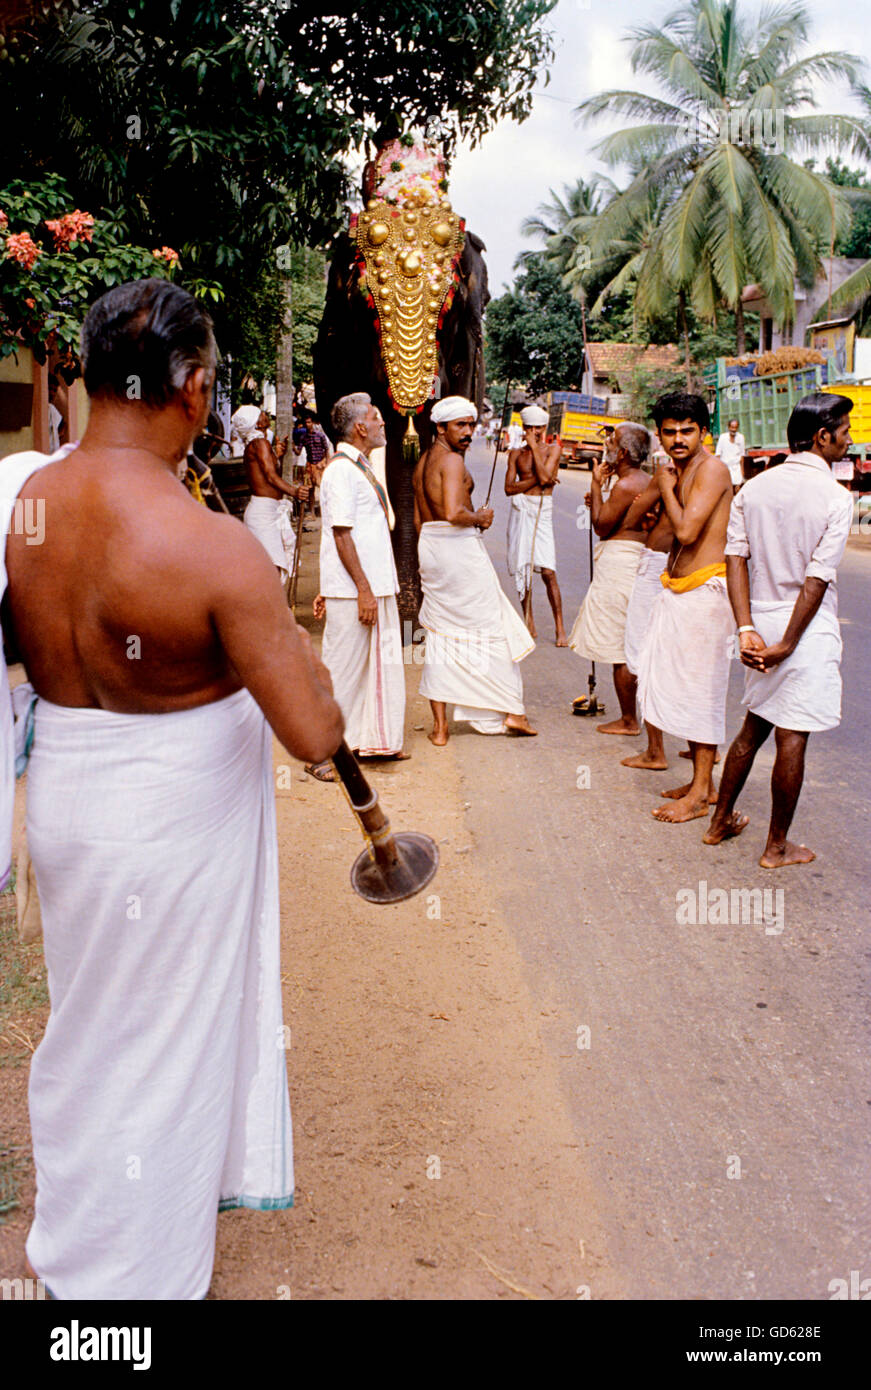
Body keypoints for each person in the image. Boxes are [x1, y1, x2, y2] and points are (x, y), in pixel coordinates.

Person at [0, 277, 344, 1299]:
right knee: (164, 1053)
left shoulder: (26, 506)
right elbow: (315, 735)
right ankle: (129, 1294)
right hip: (170, 834)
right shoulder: (213, 549)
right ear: (193, 388)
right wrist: (297, 664)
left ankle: (73, 1256)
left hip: (67, 807)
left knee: (92, 1027)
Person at [704, 393, 855, 867]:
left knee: (754, 725)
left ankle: (719, 821)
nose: (849, 441)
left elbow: (734, 558)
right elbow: (817, 577)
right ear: (822, 436)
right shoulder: (835, 497)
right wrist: (787, 643)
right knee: (793, 736)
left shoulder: (755, 488)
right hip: (803, 629)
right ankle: (775, 846)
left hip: (761, 620)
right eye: (845, 432)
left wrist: (746, 627)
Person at [413, 396, 537, 744]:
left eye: (471, 424)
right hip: (457, 548)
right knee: (492, 624)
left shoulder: (423, 462)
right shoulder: (451, 461)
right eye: (460, 426)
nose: (468, 432)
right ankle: (512, 711)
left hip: (433, 549)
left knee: (440, 632)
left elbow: (420, 521)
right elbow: (453, 513)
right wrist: (478, 519)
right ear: (441, 427)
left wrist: (434, 555)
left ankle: (440, 728)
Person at [636, 392, 734, 823]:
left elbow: (689, 531)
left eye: (687, 430)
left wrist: (662, 488)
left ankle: (697, 795)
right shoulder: (684, 469)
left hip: (705, 594)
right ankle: (705, 785)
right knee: (683, 688)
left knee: (700, 692)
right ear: (660, 434)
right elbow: (669, 533)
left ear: (703, 432)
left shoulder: (710, 469)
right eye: (670, 431)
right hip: (680, 590)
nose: (678, 438)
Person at [311, 391, 408, 781]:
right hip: (356, 591)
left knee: (375, 668)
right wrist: (363, 590)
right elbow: (341, 535)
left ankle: (371, 741)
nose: (384, 422)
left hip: (368, 586)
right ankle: (320, 754)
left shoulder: (358, 466)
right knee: (342, 670)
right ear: (360, 427)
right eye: (377, 416)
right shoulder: (340, 471)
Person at [568, 422, 651, 735]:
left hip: (621, 563)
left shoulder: (627, 484)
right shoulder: (643, 480)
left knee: (621, 646)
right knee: (630, 642)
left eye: (612, 440)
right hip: (633, 559)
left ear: (624, 452)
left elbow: (601, 526)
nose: (606, 443)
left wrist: (595, 485)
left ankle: (629, 720)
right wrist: (600, 498)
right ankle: (632, 717)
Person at [505, 404, 568, 645]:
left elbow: (544, 479)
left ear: (545, 428)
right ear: (524, 428)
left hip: (542, 511)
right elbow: (509, 488)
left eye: (539, 428)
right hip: (522, 509)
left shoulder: (553, 450)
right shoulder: (515, 454)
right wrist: (541, 480)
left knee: (549, 572)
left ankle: (560, 627)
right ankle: (528, 621)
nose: (535, 432)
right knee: (524, 569)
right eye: (530, 428)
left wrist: (534, 451)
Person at [234, 404, 310, 582]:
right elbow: (269, 476)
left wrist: (279, 456)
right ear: (256, 423)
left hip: (268, 512)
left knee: (272, 568)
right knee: (271, 570)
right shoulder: (260, 443)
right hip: (263, 514)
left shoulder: (259, 444)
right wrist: (295, 491)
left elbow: (272, 474)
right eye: (261, 414)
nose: (265, 415)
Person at [715, 417, 746, 492]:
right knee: (728, 488)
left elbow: (742, 455)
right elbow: (718, 454)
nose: (734, 429)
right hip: (726, 467)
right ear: (728, 427)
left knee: (738, 488)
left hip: (736, 467)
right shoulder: (723, 437)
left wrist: (742, 470)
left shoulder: (740, 437)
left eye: (735, 427)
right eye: (732, 427)